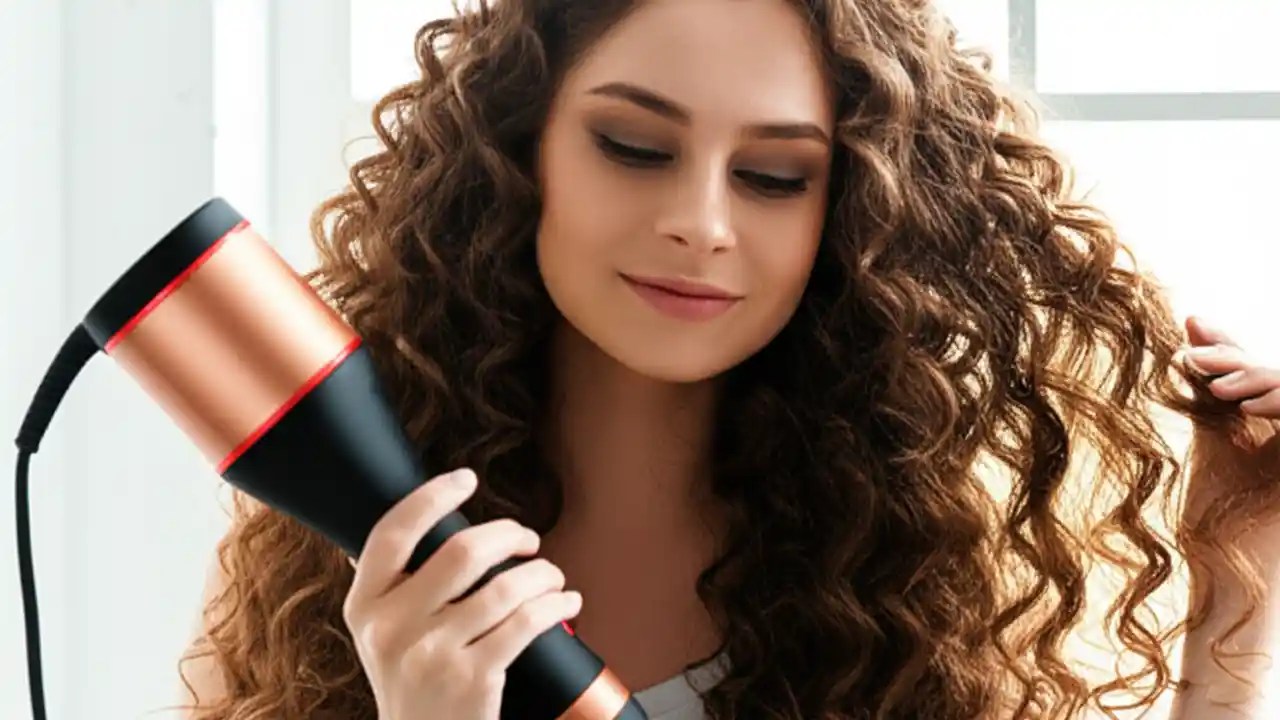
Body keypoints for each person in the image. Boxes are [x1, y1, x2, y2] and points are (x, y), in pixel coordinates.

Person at [172, 0, 1280, 718]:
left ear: (849, 216)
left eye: (773, 176)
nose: (700, 221)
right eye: (635, 148)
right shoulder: (321, 561)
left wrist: (1240, 578)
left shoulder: (929, 574)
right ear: (517, 156)